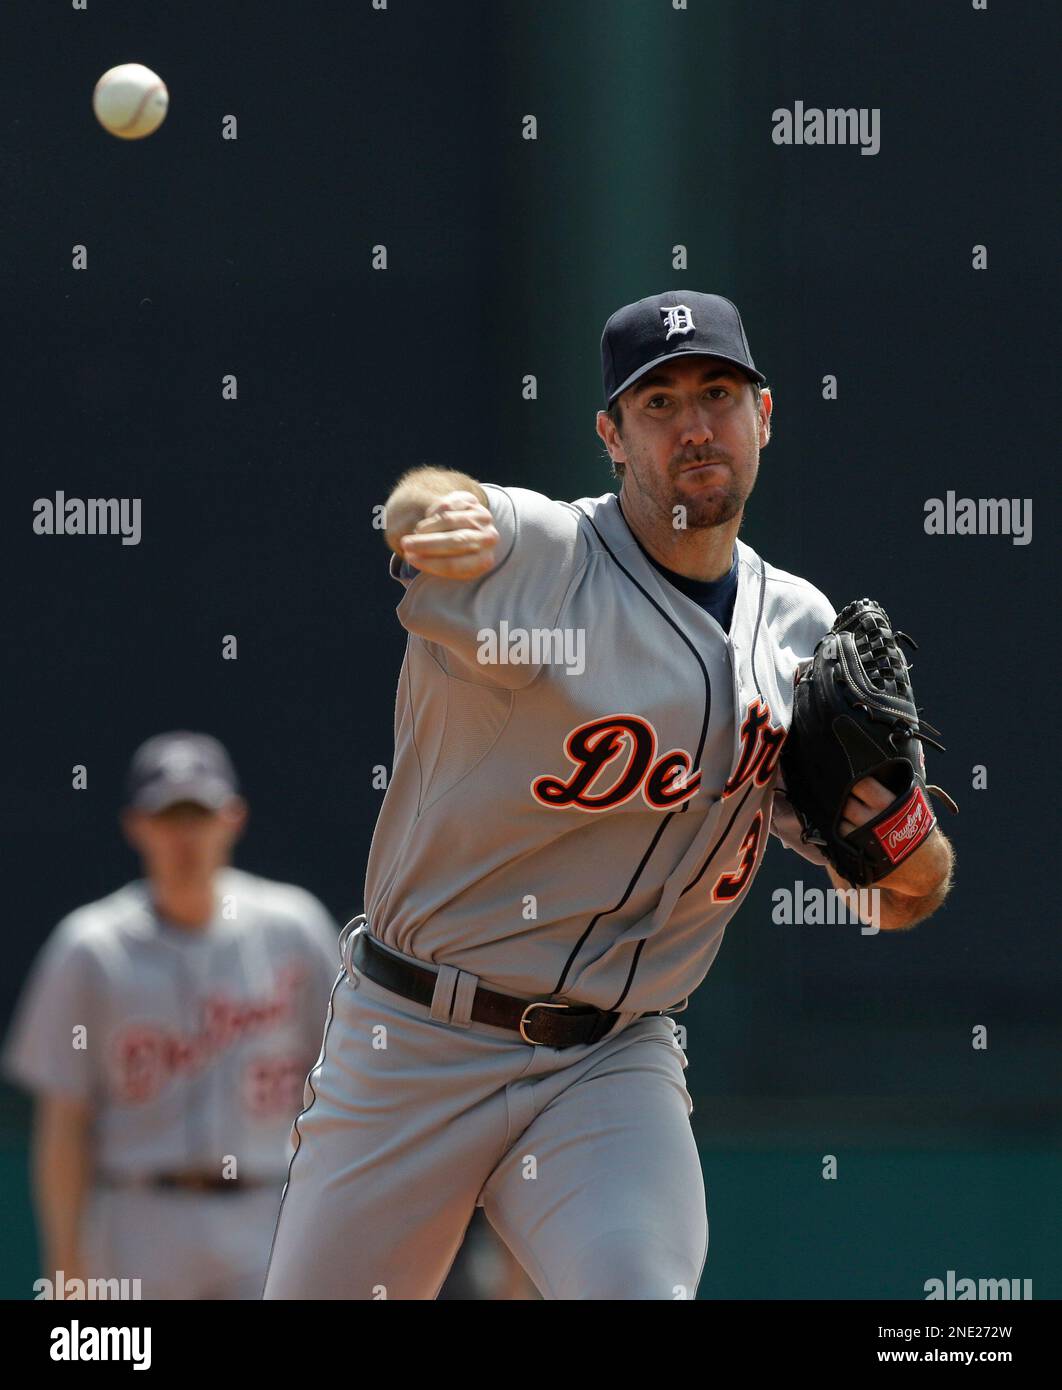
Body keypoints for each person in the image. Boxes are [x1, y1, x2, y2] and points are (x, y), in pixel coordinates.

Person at [262, 290, 954, 1301]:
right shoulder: (547, 557)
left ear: (763, 415)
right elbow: (428, 512)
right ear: (612, 437)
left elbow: (903, 898)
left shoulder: (800, 630)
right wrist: (431, 514)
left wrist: (894, 821)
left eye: (718, 393)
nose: (694, 425)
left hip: (609, 1063)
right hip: (415, 1038)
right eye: (658, 402)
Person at [3, 731, 341, 1300]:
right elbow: (64, 1121)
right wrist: (64, 1265)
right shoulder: (90, 947)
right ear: (137, 825)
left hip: (268, 1208)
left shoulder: (293, 928)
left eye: (200, 815)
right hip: (138, 1215)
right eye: (170, 817)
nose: (186, 836)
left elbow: (346, 1083)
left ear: (233, 819)